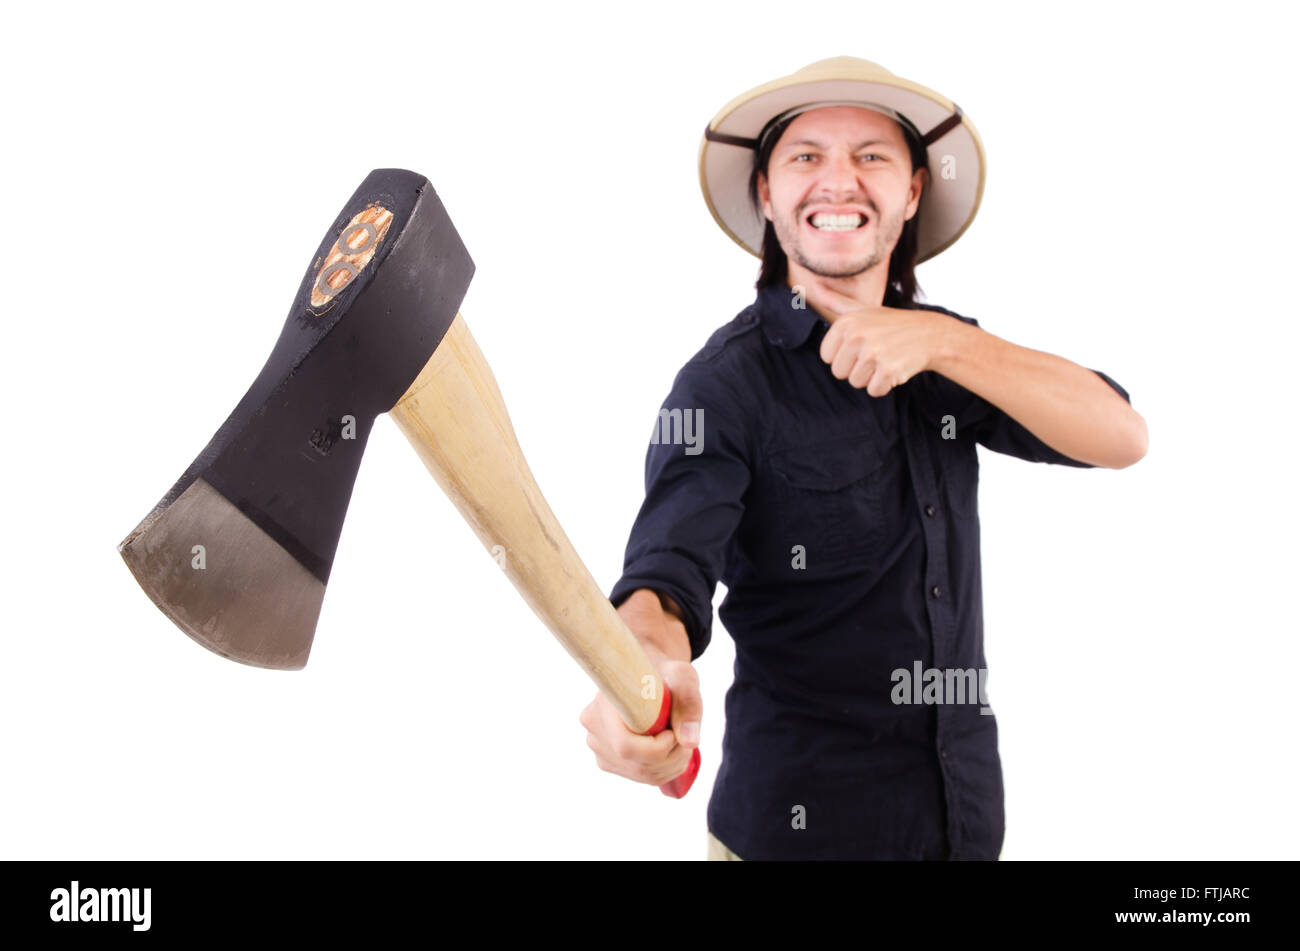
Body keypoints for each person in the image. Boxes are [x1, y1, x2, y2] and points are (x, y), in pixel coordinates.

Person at [578, 56, 1147, 860]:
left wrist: (945, 341)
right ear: (767, 196)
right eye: (806, 156)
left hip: (964, 831)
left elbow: (1122, 435)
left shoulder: (946, 355)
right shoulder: (722, 386)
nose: (838, 181)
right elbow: (662, 581)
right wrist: (636, 664)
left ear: (911, 192)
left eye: (871, 156)